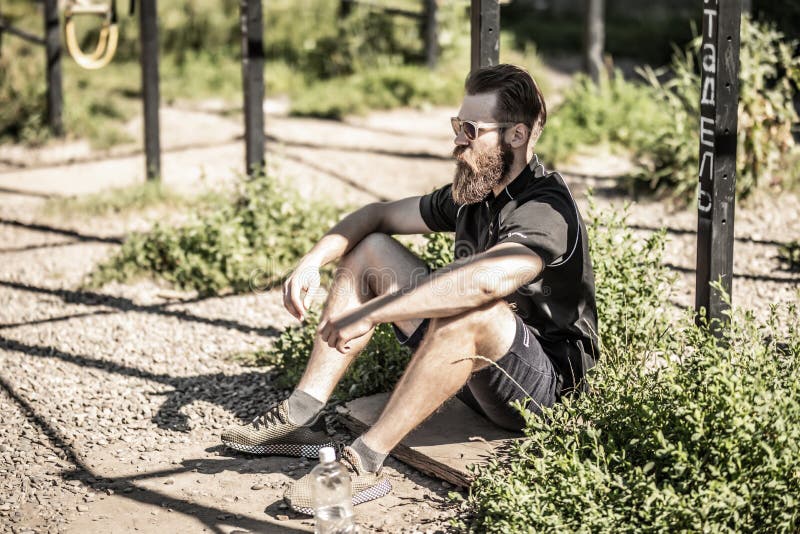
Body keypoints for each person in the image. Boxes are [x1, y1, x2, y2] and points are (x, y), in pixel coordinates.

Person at [221, 63, 598, 514]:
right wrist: (312, 262)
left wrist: (371, 313)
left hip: (545, 392)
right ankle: (300, 416)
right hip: (475, 370)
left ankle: (362, 464)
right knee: (372, 251)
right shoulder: (477, 190)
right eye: (457, 125)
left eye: (471, 129)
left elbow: (483, 283)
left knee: (475, 308)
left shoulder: (543, 208)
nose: (457, 140)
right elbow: (377, 215)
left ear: (515, 136)